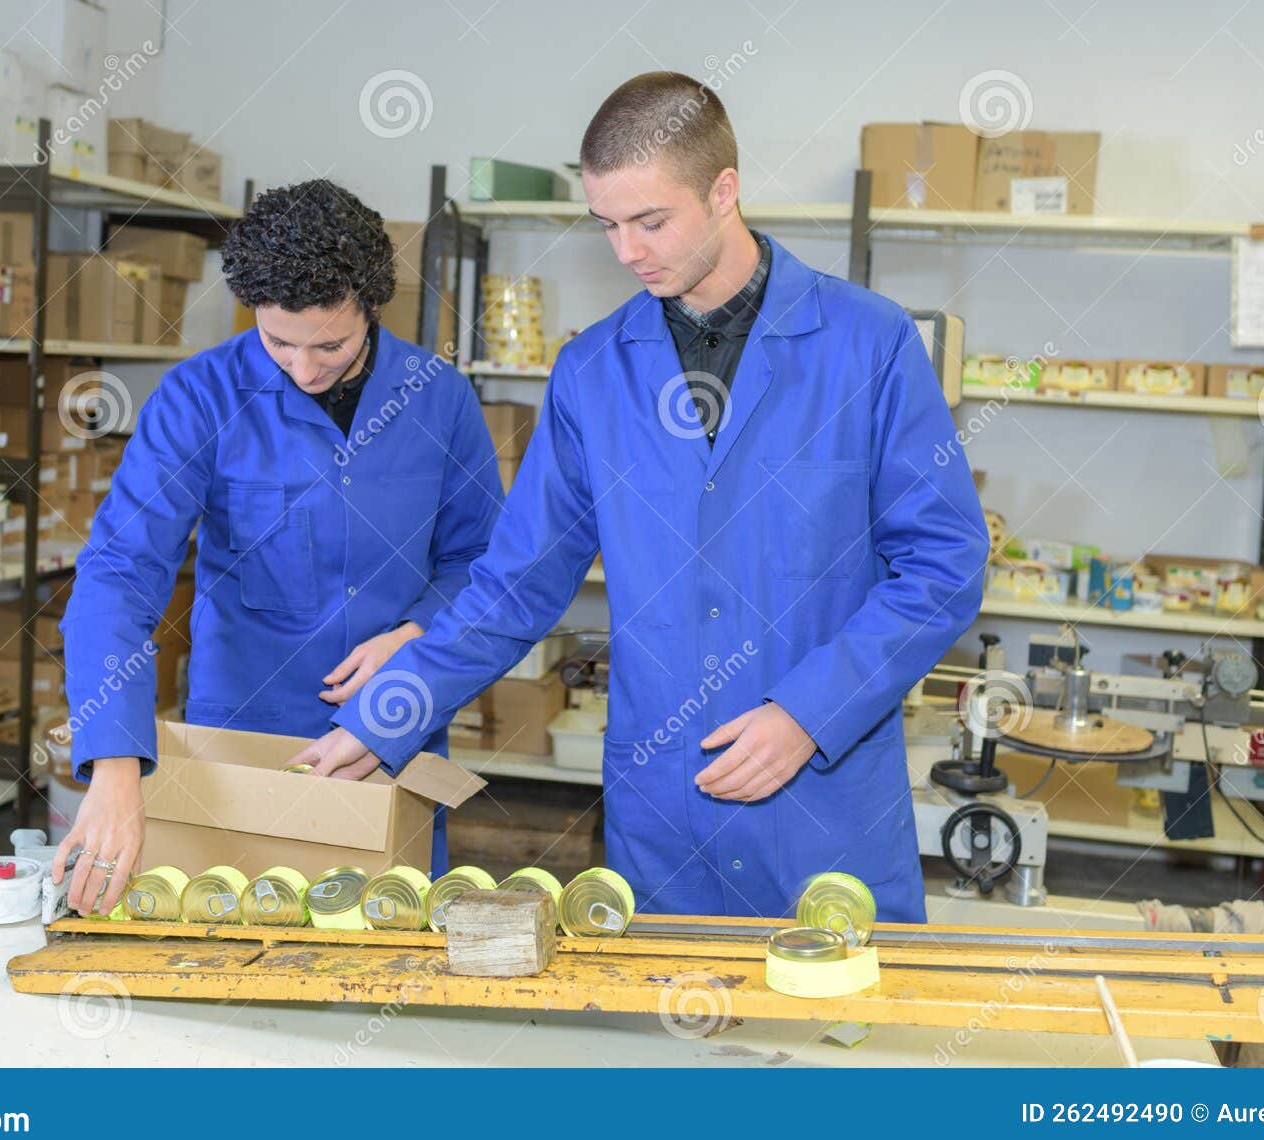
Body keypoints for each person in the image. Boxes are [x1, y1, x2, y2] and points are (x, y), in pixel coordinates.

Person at [301, 73, 987, 924]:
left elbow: (946, 563)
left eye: (650, 221)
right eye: (608, 225)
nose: (627, 251)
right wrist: (390, 713)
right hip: (665, 805)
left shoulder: (868, 344)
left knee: (836, 1041)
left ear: (724, 191)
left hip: (824, 798)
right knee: (671, 1045)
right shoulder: (593, 371)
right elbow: (519, 580)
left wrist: (812, 713)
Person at [51, 180, 504, 915]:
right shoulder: (198, 396)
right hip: (244, 733)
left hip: (397, 717)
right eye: (278, 343)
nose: (302, 369)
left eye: (330, 344)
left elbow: (478, 563)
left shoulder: (440, 398)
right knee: (239, 947)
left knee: (385, 948)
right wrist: (112, 762)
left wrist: (419, 632)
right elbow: (119, 574)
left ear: (371, 304)